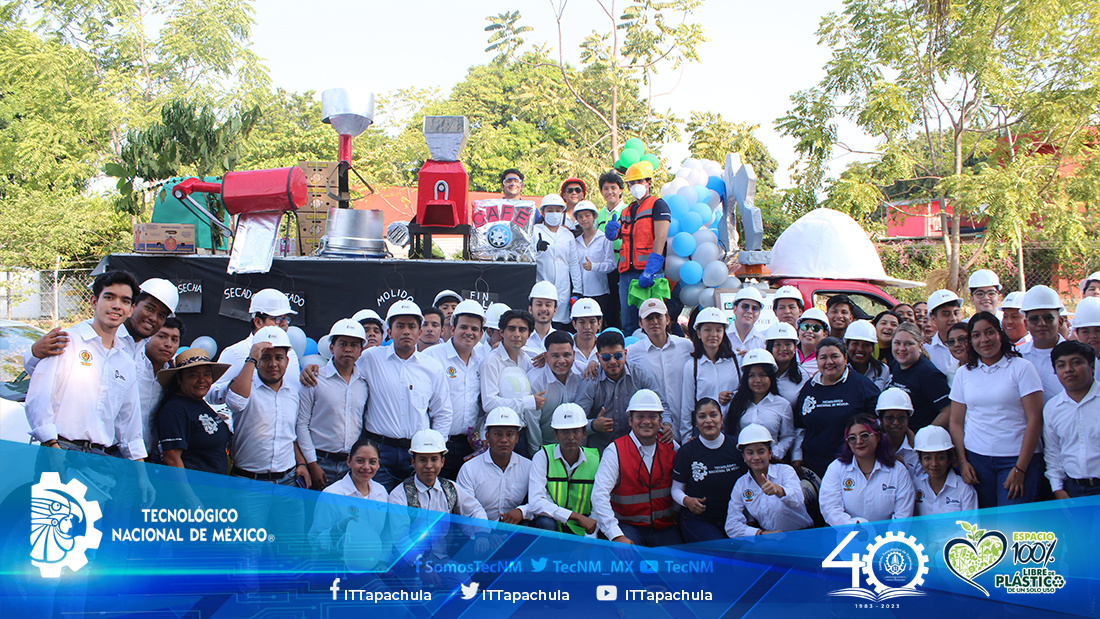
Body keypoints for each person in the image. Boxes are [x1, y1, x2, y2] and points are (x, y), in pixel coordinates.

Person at [25, 271, 148, 461]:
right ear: (93, 301)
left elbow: (129, 423)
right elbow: (39, 396)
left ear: (131, 310)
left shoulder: (125, 362)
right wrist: (51, 445)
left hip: (101, 459)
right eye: (109, 297)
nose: (116, 305)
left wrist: (142, 474)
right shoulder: (67, 341)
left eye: (124, 301)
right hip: (61, 449)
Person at [949, 312, 1045, 508]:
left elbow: (1035, 420)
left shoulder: (1022, 368)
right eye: (976, 335)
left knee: (1012, 527)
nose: (984, 339)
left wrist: (1021, 468)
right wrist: (963, 461)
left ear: (1000, 334)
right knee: (987, 529)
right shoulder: (963, 373)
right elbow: (956, 421)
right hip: (977, 461)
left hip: (1016, 460)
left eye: (989, 332)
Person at [357, 300, 454, 490]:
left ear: (419, 331)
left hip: (418, 452)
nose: (406, 331)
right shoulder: (370, 359)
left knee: (414, 509)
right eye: (400, 326)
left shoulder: (432, 367)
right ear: (389, 332)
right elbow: (342, 371)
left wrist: (435, 449)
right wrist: (313, 369)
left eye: (412, 326)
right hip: (379, 451)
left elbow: (442, 412)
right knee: (379, 507)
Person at [23, 277, 179, 378]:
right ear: (133, 306)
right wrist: (34, 353)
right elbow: (41, 373)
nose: (153, 318)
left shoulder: (146, 350)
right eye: (149, 308)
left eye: (161, 315)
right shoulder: (89, 336)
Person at [591, 389, 682, 546]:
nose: (646, 421)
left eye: (652, 417)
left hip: (665, 527)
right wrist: (616, 535)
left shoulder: (672, 447)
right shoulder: (615, 451)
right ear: (630, 420)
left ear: (661, 421)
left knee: (677, 567)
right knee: (630, 564)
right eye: (640, 416)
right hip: (628, 526)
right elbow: (599, 495)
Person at [222, 326, 306, 485]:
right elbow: (235, 403)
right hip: (249, 482)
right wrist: (250, 360)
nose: (273, 364)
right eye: (266, 358)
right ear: (256, 361)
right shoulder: (245, 389)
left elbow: (290, 435)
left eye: (279, 358)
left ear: (287, 361)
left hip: (288, 481)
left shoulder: (292, 394)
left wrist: (301, 463)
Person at [792, 337, 880, 479]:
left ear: (845, 357)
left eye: (835, 356)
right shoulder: (809, 388)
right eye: (823, 357)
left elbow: (876, 426)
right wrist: (796, 457)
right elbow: (799, 426)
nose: (829, 362)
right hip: (814, 468)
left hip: (852, 467)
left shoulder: (863, 386)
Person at [296, 319, 369, 489]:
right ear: (331, 347)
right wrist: (312, 464)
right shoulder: (314, 380)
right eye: (342, 344)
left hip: (351, 464)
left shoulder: (364, 383)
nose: (348, 349)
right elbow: (301, 424)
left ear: (360, 351)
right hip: (320, 461)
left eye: (354, 345)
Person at [604, 161, 671, 334]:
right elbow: (618, 232)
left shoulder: (658, 205)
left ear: (648, 182)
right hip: (626, 274)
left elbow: (661, 238)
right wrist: (613, 231)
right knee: (628, 323)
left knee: (653, 322)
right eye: (631, 183)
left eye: (639, 181)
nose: (635, 186)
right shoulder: (626, 210)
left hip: (649, 272)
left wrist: (651, 268)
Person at [579, 330, 673, 453]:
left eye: (618, 356)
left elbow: (662, 405)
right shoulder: (591, 380)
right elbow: (576, 420)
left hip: (636, 447)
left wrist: (667, 425)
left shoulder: (640, 374)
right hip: (600, 449)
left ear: (625, 353)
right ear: (598, 357)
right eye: (606, 357)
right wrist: (593, 425)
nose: (613, 361)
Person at [424, 300, 487, 480]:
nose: (469, 333)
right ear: (452, 329)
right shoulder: (432, 357)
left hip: (469, 445)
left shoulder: (483, 360)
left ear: (481, 333)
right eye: (464, 327)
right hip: (438, 444)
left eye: (475, 329)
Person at [307, 439, 390, 571]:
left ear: (379, 464)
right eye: (360, 461)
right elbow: (315, 541)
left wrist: (382, 562)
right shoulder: (331, 495)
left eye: (372, 462)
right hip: (337, 565)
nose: (366, 467)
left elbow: (386, 533)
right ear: (348, 461)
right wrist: (338, 529)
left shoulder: (381, 492)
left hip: (374, 565)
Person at [819, 415, 915, 526]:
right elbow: (830, 508)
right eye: (852, 438)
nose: (858, 442)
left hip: (887, 537)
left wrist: (888, 542)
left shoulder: (898, 470)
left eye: (864, 436)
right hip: (846, 534)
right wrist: (852, 528)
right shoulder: (836, 468)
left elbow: (902, 517)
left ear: (878, 437)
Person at [672, 398, 745, 542]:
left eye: (713, 415)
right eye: (702, 416)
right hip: (699, 519)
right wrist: (686, 501)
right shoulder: (686, 452)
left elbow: (748, 483)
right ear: (695, 422)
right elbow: (675, 490)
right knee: (719, 551)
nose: (708, 420)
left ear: (721, 418)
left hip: (734, 518)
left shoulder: (737, 447)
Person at [213, 288, 302, 402]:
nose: (284, 324)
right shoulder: (235, 352)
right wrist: (233, 386)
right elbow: (212, 395)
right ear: (258, 322)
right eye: (277, 319)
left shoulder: (291, 352)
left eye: (286, 319)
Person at [725, 424, 812, 538]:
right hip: (770, 538)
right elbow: (731, 525)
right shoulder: (741, 484)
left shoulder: (785, 471)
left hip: (801, 535)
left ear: (770, 453)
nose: (756, 457)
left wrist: (780, 491)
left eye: (761, 451)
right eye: (750, 453)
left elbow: (798, 499)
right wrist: (761, 534)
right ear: (744, 457)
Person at [156, 347, 233, 474]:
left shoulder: (198, 402)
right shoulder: (175, 411)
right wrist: (189, 495)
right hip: (196, 490)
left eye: (207, 374)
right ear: (179, 379)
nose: (202, 380)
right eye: (193, 375)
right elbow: (172, 459)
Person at [626, 298, 693, 441]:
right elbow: (611, 362)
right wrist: (592, 364)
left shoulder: (687, 347)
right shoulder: (632, 353)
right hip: (655, 432)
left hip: (688, 427)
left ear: (668, 319)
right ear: (640, 323)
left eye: (658, 316)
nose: (654, 322)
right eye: (649, 318)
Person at [528, 403, 600, 535]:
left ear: (584, 434)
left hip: (584, 528)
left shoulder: (595, 460)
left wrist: (590, 538)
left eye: (576, 431)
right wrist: (575, 516)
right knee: (544, 523)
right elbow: (536, 501)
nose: (570, 437)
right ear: (555, 434)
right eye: (565, 432)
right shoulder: (543, 457)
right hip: (554, 524)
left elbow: (598, 503)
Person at [482, 309, 545, 454]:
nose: (517, 334)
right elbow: (489, 403)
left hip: (521, 433)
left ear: (529, 335)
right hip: (499, 435)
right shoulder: (491, 362)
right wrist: (528, 402)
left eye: (522, 330)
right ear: (502, 332)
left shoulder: (526, 359)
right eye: (511, 329)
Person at [1042, 341, 1099, 498]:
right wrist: (1057, 488)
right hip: (1074, 490)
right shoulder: (1053, 408)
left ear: (1092, 367)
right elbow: (1053, 452)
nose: (1068, 370)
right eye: (1061, 365)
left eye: (1076, 363)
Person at [457, 407, 532, 523]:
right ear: (487, 437)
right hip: (479, 531)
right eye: (497, 434)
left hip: (514, 528)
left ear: (517, 438)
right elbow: (464, 510)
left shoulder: (528, 467)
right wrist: (484, 533)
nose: (504, 440)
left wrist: (522, 511)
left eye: (510, 434)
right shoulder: (469, 469)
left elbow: (540, 499)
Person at [680, 308, 741, 438]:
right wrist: (687, 439)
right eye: (707, 329)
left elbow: (746, 393)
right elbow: (687, 406)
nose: (714, 334)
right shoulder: (692, 366)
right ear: (699, 333)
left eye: (719, 330)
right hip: (704, 432)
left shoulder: (736, 361)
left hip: (733, 430)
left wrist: (732, 395)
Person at [725, 350, 796, 460]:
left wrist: (773, 454)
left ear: (771, 377)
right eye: (752, 376)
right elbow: (731, 433)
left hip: (772, 462)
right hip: (742, 461)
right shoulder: (736, 402)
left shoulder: (783, 405)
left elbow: (788, 436)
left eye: (763, 375)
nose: (757, 380)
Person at [885, 322, 952, 431]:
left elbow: (948, 410)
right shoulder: (895, 364)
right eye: (897, 343)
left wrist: (926, 435)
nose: (902, 348)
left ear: (920, 346)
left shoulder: (929, 374)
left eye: (908, 344)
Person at [527, 331, 585, 454]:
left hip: (580, 448)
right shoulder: (535, 381)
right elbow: (533, 424)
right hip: (547, 448)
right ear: (546, 357)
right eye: (555, 356)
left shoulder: (584, 373)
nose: (561, 361)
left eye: (566, 355)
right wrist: (537, 454)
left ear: (574, 355)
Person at [533, 193, 582, 329]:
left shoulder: (567, 235)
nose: (554, 213)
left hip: (563, 289)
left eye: (558, 210)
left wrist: (578, 290)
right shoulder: (534, 232)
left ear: (563, 212)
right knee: (541, 323)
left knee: (559, 324)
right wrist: (536, 249)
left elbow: (573, 264)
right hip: (541, 284)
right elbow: (525, 257)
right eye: (550, 210)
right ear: (542, 213)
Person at [139, 316, 184, 458]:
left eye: (174, 339)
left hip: (149, 455)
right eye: (162, 336)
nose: (168, 344)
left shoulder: (172, 377)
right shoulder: (131, 366)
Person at [911, 426, 978, 515]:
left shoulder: (964, 489)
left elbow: (970, 526)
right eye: (928, 458)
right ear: (920, 460)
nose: (934, 464)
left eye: (940, 458)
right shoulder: (915, 485)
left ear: (949, 459)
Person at [1018, 285, 1067, 403]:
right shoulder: (1017, 355)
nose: (1041, 323)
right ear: (1026, 324)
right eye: (1034, 319)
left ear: (1060, 322)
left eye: (1048, 318)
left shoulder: (1076, 356)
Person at [574, 201, 616, 321]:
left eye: (587, 215)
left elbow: (611, 264)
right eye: (580, 216)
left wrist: (593, 266)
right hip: (580, 292)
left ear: (594, 217)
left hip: (599, 292)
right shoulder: (575, 242)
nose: (584, 219)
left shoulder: (604, 238)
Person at [598, 170, 627, 329]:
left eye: (613, 188)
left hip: (622, 266)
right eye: (606, 188)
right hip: (603, 268)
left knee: (622, 306)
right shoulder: (599, 214)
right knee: (608, 307)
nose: (610, 192)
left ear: (620, 190)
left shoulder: (628, 211)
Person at [876, 388, 920, 478]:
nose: (896, 422)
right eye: (890, 418)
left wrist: (904, 470)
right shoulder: (873, 447)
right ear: (881, 420)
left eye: (901, 418)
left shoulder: (917, 450)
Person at [766, 322, 808, 409]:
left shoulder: (802, 375)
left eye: (788, 344)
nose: (783, 349)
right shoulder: (761, 373)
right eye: (778, 344)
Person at [924, 289, 963, 376]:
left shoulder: (972, 343)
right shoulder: (927, 349)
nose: (953, 318)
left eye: (956, 313)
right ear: (934, 319)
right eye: (946, 314)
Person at [845, 320, 890, 390]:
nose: (860, 349)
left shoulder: (882, 370)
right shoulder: (840, 370)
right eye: (855, 343)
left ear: (873, 349)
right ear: (847, 346)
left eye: (866, 345)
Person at [523, 281, 558, 358]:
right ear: (530, 309)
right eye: (539, 304)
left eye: (548, 305)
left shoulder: (561, 339)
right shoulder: (521, 337)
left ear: (555, 310)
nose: (543, 309)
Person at [727, 287, 766, 355]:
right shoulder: (723, 337)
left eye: (755, 309)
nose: (749, 311)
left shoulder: (763, 342)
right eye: (745, 307)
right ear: (735, 309)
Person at [569, 298, 603, 374]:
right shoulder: (565, 349)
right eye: (582, 322)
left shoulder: (605, 348)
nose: (587, 326)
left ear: (599, 324)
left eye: (592, 322)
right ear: (574, 324)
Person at [796, 308, 829, 378]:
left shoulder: (828, 361)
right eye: (805, 327)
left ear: (825, 334)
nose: (809, 331)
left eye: (816, 328)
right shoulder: (789, 354)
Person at [1073, 297, 1100, 380]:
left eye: (1098, 330)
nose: (1093, 336)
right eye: (1085, 332)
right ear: (1077, 334)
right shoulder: (1072, 363)